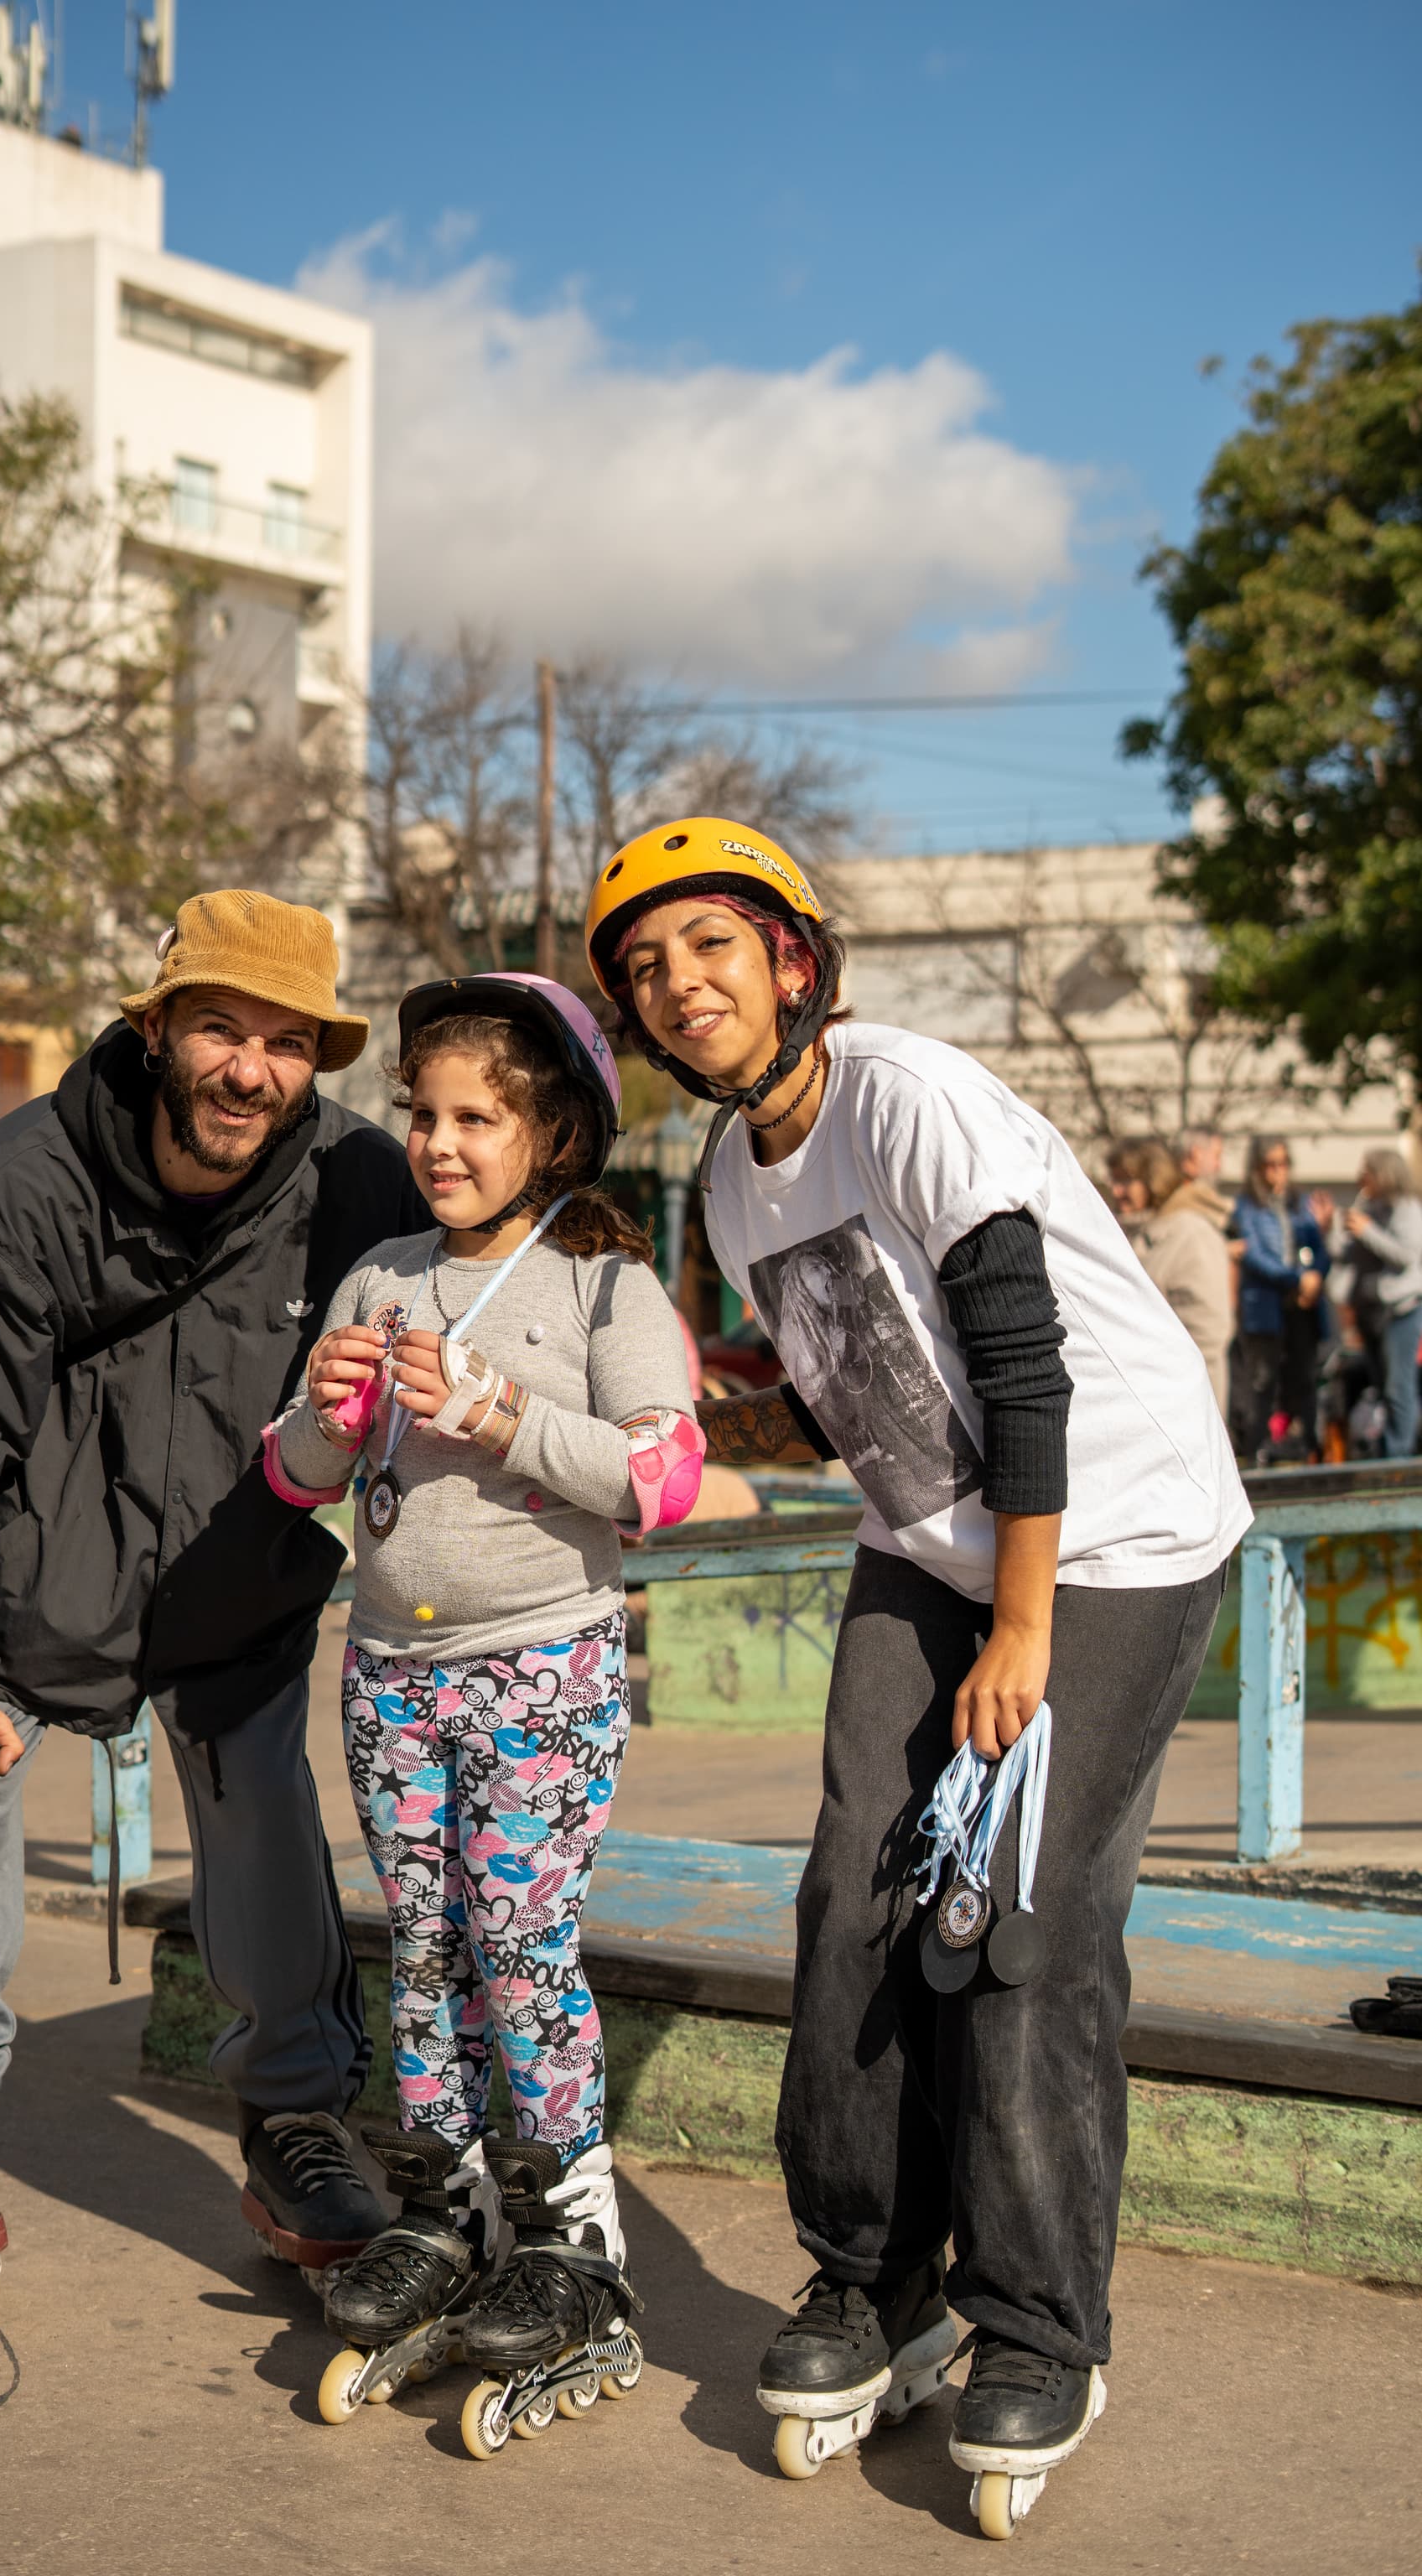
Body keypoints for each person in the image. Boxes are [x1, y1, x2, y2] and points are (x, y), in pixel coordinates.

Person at [584, 818, 1249, 2537]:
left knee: (1017, 1919)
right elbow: (852, 1387)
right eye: (651, 971)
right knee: (854, 1892)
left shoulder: (910, 1100)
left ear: (794, 962)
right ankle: (876, 2279)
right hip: (933, 1537)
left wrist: (1021, 1632)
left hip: (1109, 1535)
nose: (683, 987)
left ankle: (1041, 2322)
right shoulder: (735, 1181)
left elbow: (1018, 1373)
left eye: (712, 947)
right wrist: (682, 1432)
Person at [0, 891, 426, 2374]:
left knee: (264, 1827)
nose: (251, 1069)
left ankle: (294, 2120)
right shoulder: (14, 1188)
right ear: (154, 1028)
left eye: (288, 1042)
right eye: (223, 1028)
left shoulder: (353, 1180)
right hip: (35, 1590)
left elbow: (497, 1233)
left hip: (235, 1584)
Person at [263, 973, 699, 2442]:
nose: (439, 1142)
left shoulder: (597, 1282)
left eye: (476, 1117)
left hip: (539, 1666)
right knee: (429, 1942)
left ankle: (575, 2234)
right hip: (389, 1668)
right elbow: (297, 1478)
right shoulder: (381, 1274)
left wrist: (503, 1416)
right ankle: (446, 2205)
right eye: (423, 1113)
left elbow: (665, 1478)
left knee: (520, 1946)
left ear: (554, 1128)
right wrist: (326, 1416)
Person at [1106, 1136, 1235, 1415]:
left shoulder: (1191, 1233)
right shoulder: (1125, 1234)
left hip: (1180, 1405)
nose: (1116, 1191)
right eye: (1114, 1181)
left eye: (1126, 1181)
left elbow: (1207, 1337)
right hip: (1138, 1400)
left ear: (1154, 1181)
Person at [1310, 1150, 1422, 1458]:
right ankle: (1391, 1451)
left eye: (1366, 1173)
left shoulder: (1407, 1209)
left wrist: (1368, 1231)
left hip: (1400, 1311)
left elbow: (1407, 1257)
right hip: (1369, 1310)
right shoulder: (1366, 1205)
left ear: (1384, 1174)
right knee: (1382, 1385)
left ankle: (1401, 1455)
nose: (1361, 1179)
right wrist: (1328, 1227)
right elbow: (1344, 1254)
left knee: (1399, 1388)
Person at [1229, 1136, 1329, 1462]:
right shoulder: (1247, 1206)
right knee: (1263, 1381)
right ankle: (1257, 1448)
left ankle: (1308, 1446)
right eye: (1269, 1165)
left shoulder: (1298, 1203)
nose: (1277, 1172)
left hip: (1302, 1305)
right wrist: (1297, 1278)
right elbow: (1254, 1255)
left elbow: (1317, 1247)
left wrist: (1314, 1275)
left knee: (1305, 1376)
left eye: (1283, 1164)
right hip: (1267, 1306)